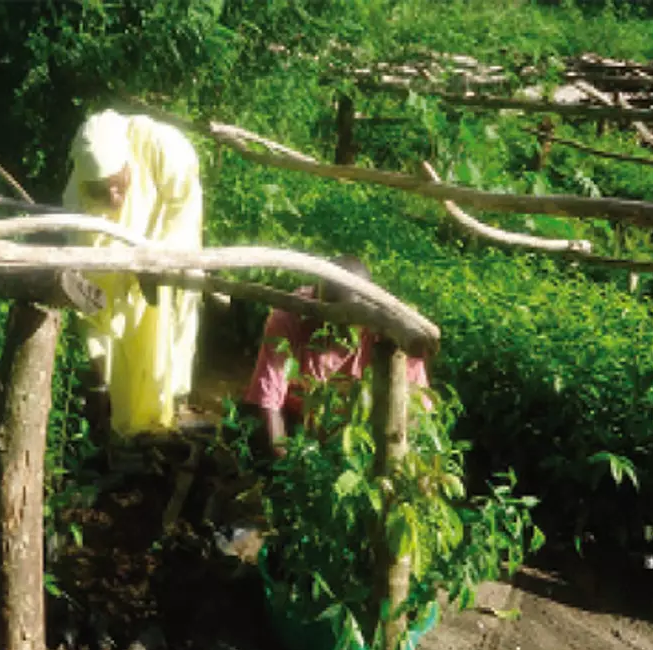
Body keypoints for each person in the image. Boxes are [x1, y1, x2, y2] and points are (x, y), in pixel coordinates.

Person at [62, 109, 204, 440]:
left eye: (117, 184)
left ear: (127, 165)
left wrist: (157, 259)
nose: (112, 197)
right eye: (100, 190)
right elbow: (82, 251)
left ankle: (168, 412)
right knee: (107, 328)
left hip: (163, 241)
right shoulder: (80, 190)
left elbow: (183, 213)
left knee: (167, 327)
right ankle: (111, 400)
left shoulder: (165, 148)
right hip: (121, 262)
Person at [242, 255, 431, 458]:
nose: (336, 332)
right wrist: (288, 464)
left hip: (361, 435)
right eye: (328, 320)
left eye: (345, 322)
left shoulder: (392, 332)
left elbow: (416, 411)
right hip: (297, 424)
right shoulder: (289, 318)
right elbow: (269, 399)